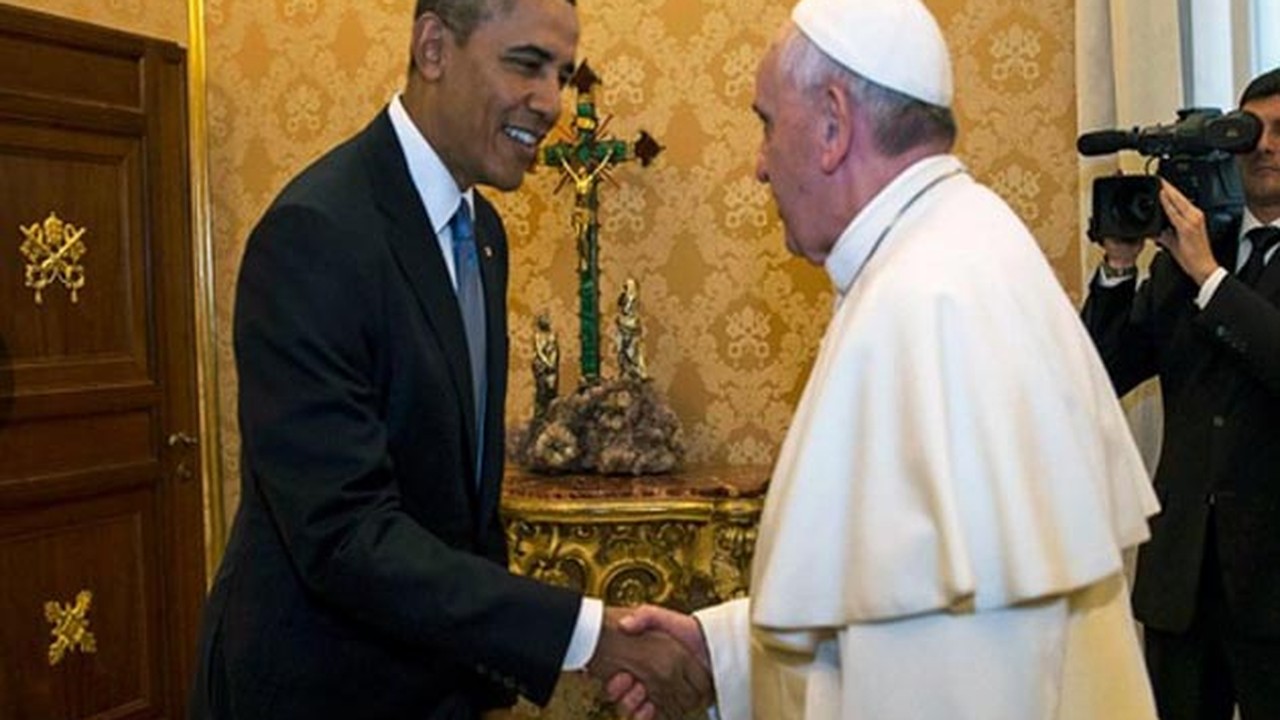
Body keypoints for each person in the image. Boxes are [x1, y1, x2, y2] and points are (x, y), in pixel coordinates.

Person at [607, 0, 1161, 718]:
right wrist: (722, 655)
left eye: (767, 123)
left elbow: (954, 684)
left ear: (834, 124)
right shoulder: (944, 254)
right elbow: (894, 616)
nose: (760, 167)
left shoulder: (930, 304)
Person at [188, 1, 709, 718]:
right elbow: (346, 536)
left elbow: (460, 503)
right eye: (525, 65)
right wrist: (588, 638)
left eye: (562, 74)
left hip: (432, 686)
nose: (552, 103)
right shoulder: (317, 234)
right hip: (319, 690)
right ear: (433, 48)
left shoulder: (483, 233)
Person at [1080, 67, 1280, 720]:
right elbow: (1102, 375)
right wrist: (1116, 267)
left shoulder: (1199, 265)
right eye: (1251, 131)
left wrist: (1210, 277)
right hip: (1183, 579)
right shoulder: (1182, 262)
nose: (1265, 147)